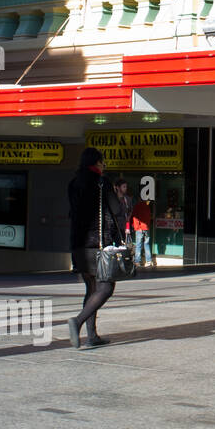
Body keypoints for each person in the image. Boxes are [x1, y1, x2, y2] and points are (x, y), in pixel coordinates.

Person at [67, 147, 130, 349]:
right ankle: (77, 322)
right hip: (97, 244)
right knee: (106, 287)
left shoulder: (73, 183)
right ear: (97, 163)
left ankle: (92, 335)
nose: (104, 165)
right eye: (102, 162)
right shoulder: (101, 183)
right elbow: (117, 209)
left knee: (91, 288)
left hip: (78, 244)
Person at [130, 192, 154, 267]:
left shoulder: (137, 206)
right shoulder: (147, 206)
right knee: (146, 244)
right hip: (146, 228)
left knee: (138, 245)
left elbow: (135, 218)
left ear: (139, 198)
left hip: (139, 228)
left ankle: (137, 261)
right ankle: (149, 261)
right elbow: (149, 217)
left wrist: (136, 227)